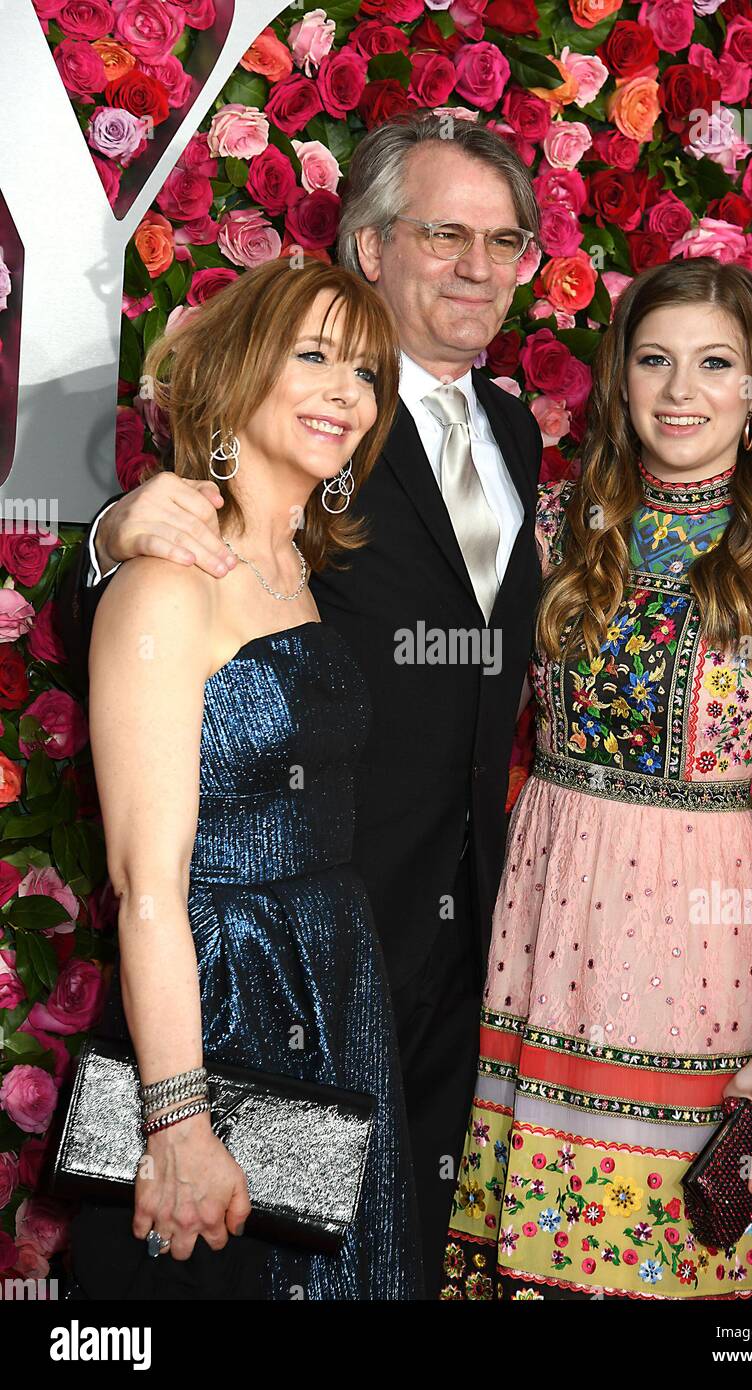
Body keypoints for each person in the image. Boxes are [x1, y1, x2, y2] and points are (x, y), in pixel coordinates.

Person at [56, 112, 544, 1297]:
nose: (480, 265)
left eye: (508, 240)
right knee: (211, 1271)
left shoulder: (514, 433)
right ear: (371, 246)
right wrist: (113, 537)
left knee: (376, 1260)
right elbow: (146, 647)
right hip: (248, 966)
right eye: (445, 232)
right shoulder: (246, 503)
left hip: (409, 956)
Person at [441, 256, 752, 1301]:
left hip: (700, 943)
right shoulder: (550, 531)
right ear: (621, 381)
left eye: (714, 363)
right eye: (656, 360)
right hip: (539, 920)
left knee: (662, 1261)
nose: (682, 390)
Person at [62, 258, 422, 1300]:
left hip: (328, 985)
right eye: (312, 355)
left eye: (363, 371)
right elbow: (147, 888)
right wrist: (178, 1121)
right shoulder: (170, 579)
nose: (344, 392)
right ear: (237, 373)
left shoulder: (301, 568)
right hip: (216, 1008)